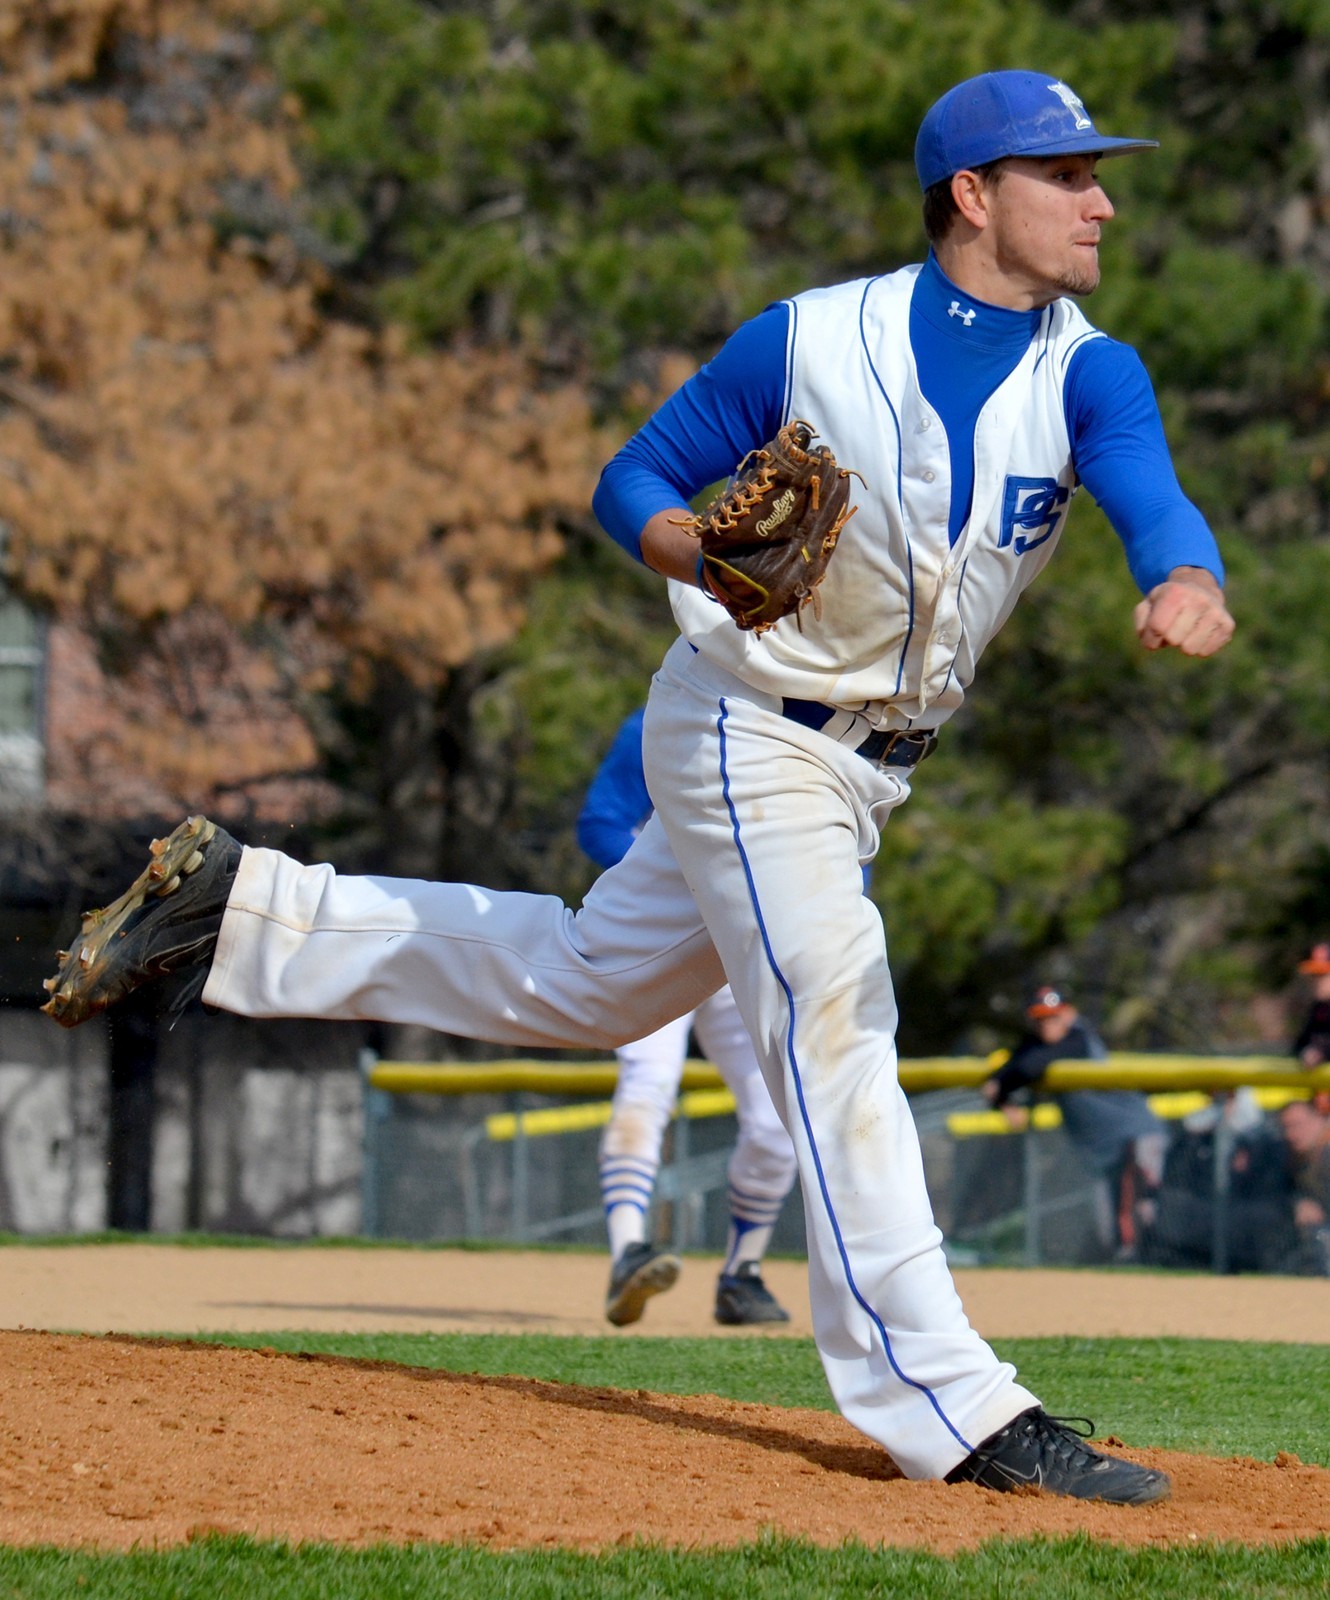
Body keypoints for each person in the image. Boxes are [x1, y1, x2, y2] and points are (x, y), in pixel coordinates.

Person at [43, 69, 1238, 1504]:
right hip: (745, 723)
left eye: (1097, 171)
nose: (1101, 198)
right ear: (971, 196)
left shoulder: (1086, 368)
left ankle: (248, 918)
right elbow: (634, 474)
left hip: (868, 767)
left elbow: (1144, 484)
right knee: (834, 1003)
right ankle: (950, 1401)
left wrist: (1183, 573)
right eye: (1066, 172)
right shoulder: (811, 339)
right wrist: (696, 552)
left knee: (591, 985)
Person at [577, 706, 797, 1327]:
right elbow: (600, 824)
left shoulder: (799, 732)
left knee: (775, 1117)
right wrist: (674, 890)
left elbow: (839, 864)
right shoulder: (660, 721)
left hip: (742, 948)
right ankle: (628, 1251)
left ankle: (743, 1272)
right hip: (654, 940)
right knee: (646, 1089)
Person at [982, 987, 1167, 1260]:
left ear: (1068, 1014)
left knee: (1139, 1210)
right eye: (1041, 1019)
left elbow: (1028, 1067)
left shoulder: (1079, 1040)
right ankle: (1129, 1272)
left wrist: (1002, 1085)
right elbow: (1006, 1070)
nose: (1047, 1025)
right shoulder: (1038, 1045)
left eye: (1053, 1017)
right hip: (1105, 1148)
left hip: (1135, 1134)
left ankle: (1155, 1266)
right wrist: (1002, 1098)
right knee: (1108, 1223)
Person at [1139, 1089, 1295, 1274]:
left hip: (1248, 1246)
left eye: (1228, 1099)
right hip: (1196, 1248)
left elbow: (1270, 1207)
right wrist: (1193, 1138)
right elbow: (1175, 1198)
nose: (1220, 1106)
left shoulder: (1266, 1146)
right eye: (1215, 1099)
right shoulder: (1194, 1142)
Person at [1278, 1098, 1330, 1276]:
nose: (1290, 1134)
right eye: (1286, 1127)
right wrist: (1300, 1202)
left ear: (1319, 1119)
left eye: (1297, 1125)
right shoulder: (1297, 1159)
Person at [1291, 944, 1330, 1114]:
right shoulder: (1318, 1009)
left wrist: (1322, 1052)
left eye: (1322, 975)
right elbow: (1298, 1045)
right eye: (1313, 975)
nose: (1315, 981)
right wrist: (1307, 1052)